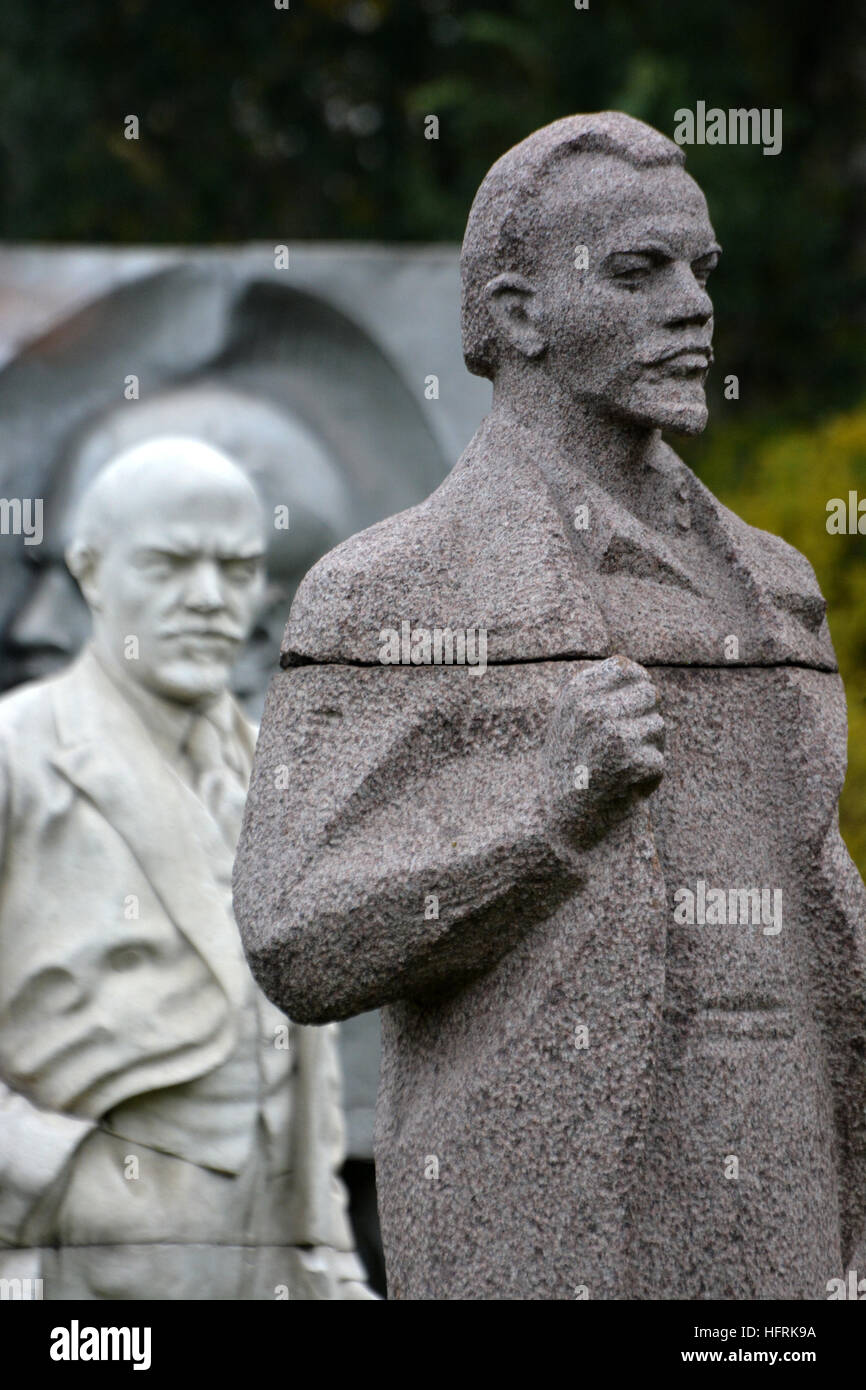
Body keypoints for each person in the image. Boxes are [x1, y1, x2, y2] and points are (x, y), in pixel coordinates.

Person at [234, 114, 866, 1299]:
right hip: (533, 1212)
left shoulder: (773, 586)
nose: (692, 307)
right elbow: (292, 936)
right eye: (638, 272)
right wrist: (543, 824)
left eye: (701, 271)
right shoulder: (389, 590)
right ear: (517, 313)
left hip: (785, 1193)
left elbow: (819, 897)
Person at [0, 436, 372, 1299]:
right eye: (169, 564)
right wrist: (45, 1180)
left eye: (236, 569)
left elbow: (301, 1047)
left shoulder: (274, 773)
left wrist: (329, 1255)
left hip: (268, 1262)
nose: (209, 600)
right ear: (90, 571)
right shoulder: (16, 756)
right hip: (76, 1268)